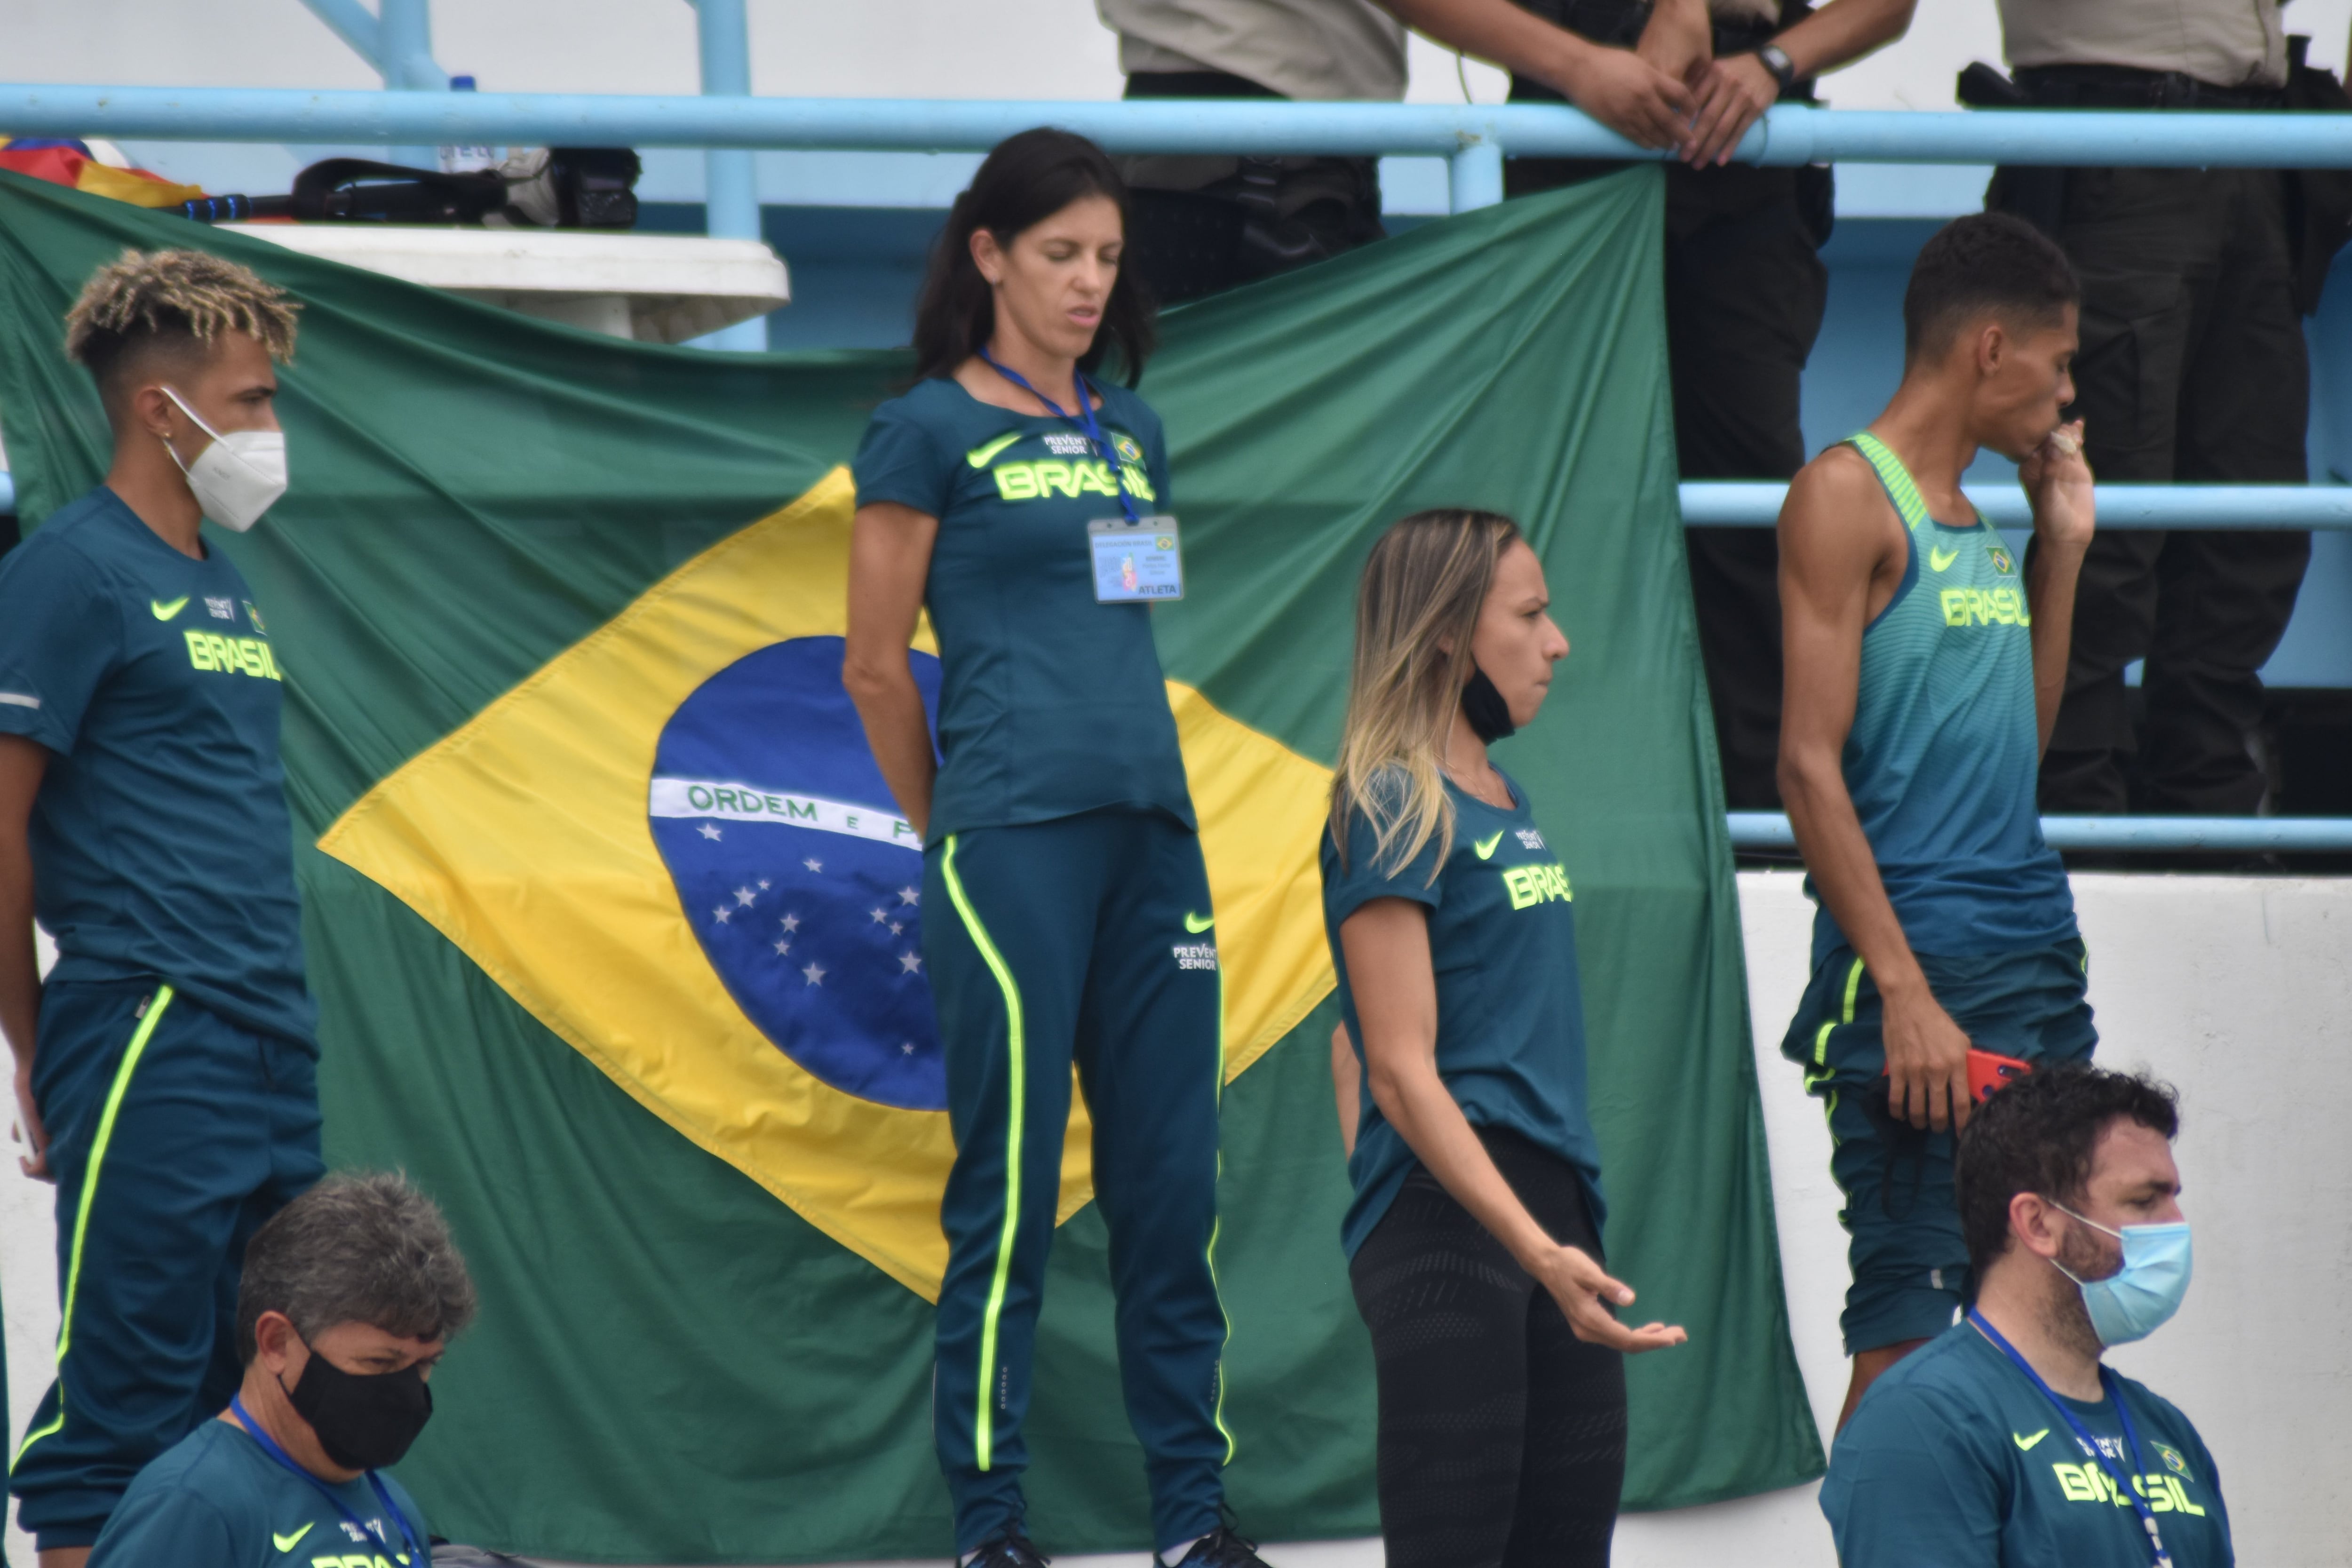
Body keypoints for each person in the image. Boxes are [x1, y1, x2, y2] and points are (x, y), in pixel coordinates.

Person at [842, 130, 1265, 1568]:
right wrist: (947, 827)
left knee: (1173, 1192)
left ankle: (1192, 1525)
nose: (1088, 283)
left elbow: (1128, 615)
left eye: (1104, 258)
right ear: (987, 257)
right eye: (1058, 255)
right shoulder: (923, 430)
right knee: (1009, 1197)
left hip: (1155, 838)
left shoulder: (1129, 430)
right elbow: (874, 668)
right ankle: (987, 1526)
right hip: (1008, 840)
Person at [0, 249, 322, 1564]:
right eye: (249, 403)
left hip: (267, 1036)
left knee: (266, 1398)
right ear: (160, 408)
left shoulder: (222, 579)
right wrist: (34, 1056)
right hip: (148, 1018)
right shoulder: (70, 572)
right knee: (121, 1402)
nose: (268, 431)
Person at [1775, 213, 2097, 1431]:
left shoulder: (1984, 513)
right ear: (1994, 347)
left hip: (2030, 953)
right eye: (2062, 365)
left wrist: (2060, 550)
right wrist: (1904, 991)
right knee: (1911, 1321)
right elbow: (1807, 767)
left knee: (2042, 1304)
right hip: (1919, 975)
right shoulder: (1846, 494)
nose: (2068, 398)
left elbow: (2023, 742)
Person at [1321, 509, 1685, 1568]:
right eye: (1529, 614)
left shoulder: (1503, 797)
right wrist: (1407, 1209)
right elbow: (1391, 1061)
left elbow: (1350, 1040)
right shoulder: (1389, 796)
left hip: (1551, 1212)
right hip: (1462, 1224)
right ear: (1445, 633)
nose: (1557, 639)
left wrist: (1546, 1239)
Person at [1497, 0, 1915, 809]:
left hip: (1745, 118)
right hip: (1570, 96)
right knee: (1566, 501)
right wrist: (1583, 63)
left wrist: (1775, 64)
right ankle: (1559, 805)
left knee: (1752, 510)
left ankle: (1761, 820)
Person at [1981, 1, 2310, 817]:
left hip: (2257, 139)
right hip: (2118, 133)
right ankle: (2074, 815)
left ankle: (2211, 816)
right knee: (2102, 520)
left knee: (2252, 512)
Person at [1822, 1063, 2233, 1565]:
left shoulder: (2166, 1430)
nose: (2176, 1227)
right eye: (2144, 1201)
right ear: (2037, 1224)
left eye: (2173, 1200)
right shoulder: (1921, 1419)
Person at [86, 1172, 478, 1568]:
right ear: (276, 1342)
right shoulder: (195, 1506)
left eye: (425, 1363)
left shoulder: (395, 1510)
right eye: (380, 1362)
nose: (405, 1390)